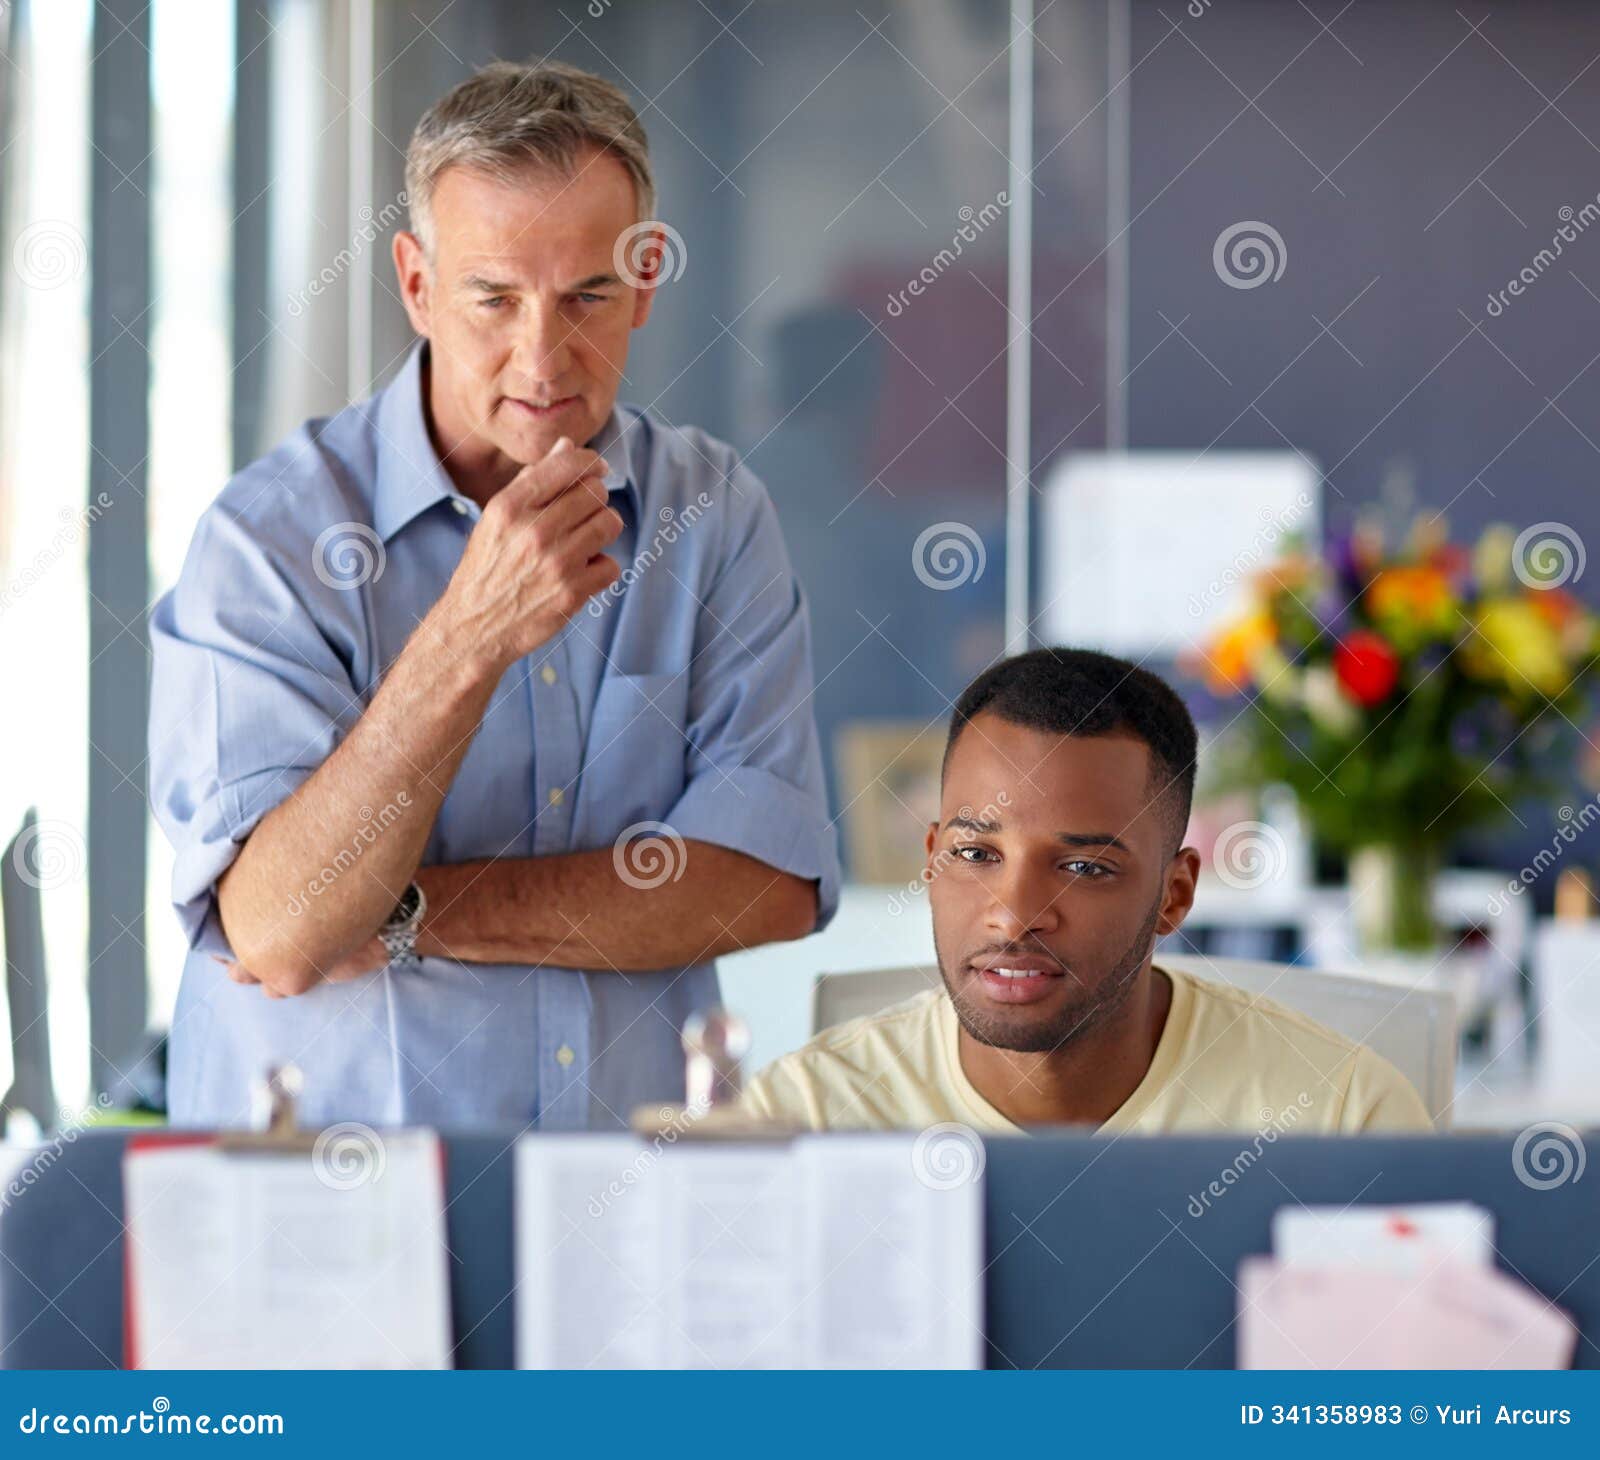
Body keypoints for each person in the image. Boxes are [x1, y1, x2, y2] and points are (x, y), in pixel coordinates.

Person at [149, 61, 839, 1128]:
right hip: (332, 1217)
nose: (543, 355)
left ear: (646, 279)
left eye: (588, 297)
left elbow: (764, 883)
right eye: (494, 298)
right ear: (418, 284)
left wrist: (408, 908)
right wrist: (469, 638)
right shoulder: (268, 540)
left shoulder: (713, 511)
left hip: (626, 1202)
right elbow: (282, 930)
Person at [742, 648, 1431, 1134]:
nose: (1013, 916)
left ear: (1174, 894)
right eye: (976, 853)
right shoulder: (805, 1119)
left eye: (1083, 868)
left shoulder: (1342, 1119)